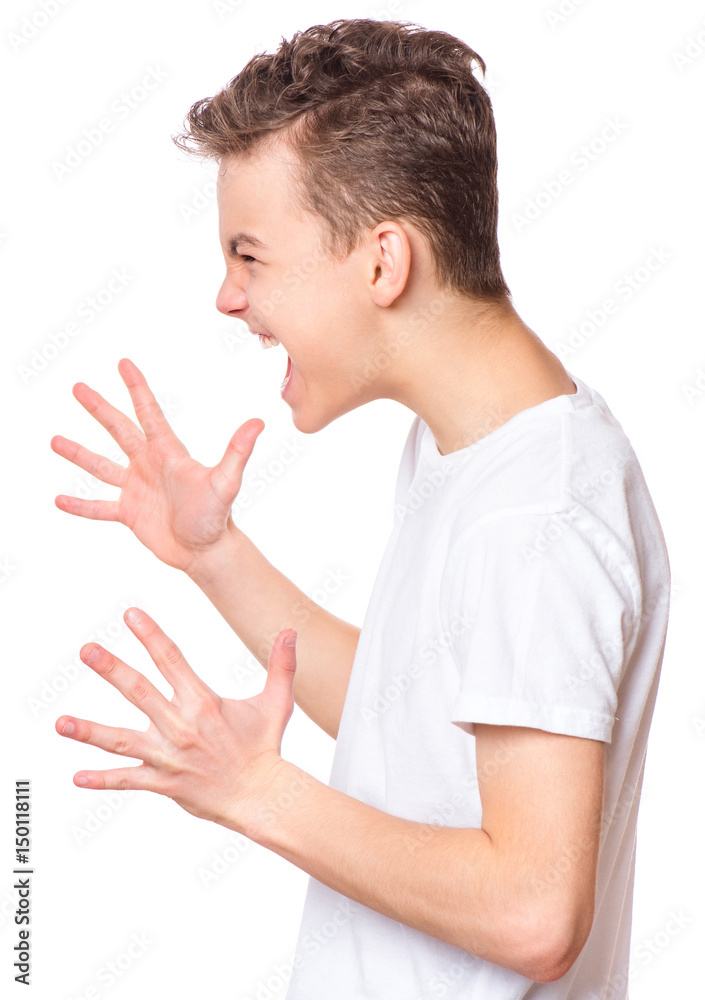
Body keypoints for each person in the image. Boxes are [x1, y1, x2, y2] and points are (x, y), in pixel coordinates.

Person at [51, 18, 671, 999]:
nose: (227, 297)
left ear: (383, 263)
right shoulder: (470, 448)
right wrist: (214, 554)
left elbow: (533, 912)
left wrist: (257, 790)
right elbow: (411, 717)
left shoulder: (536, 517)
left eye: (250, 256)